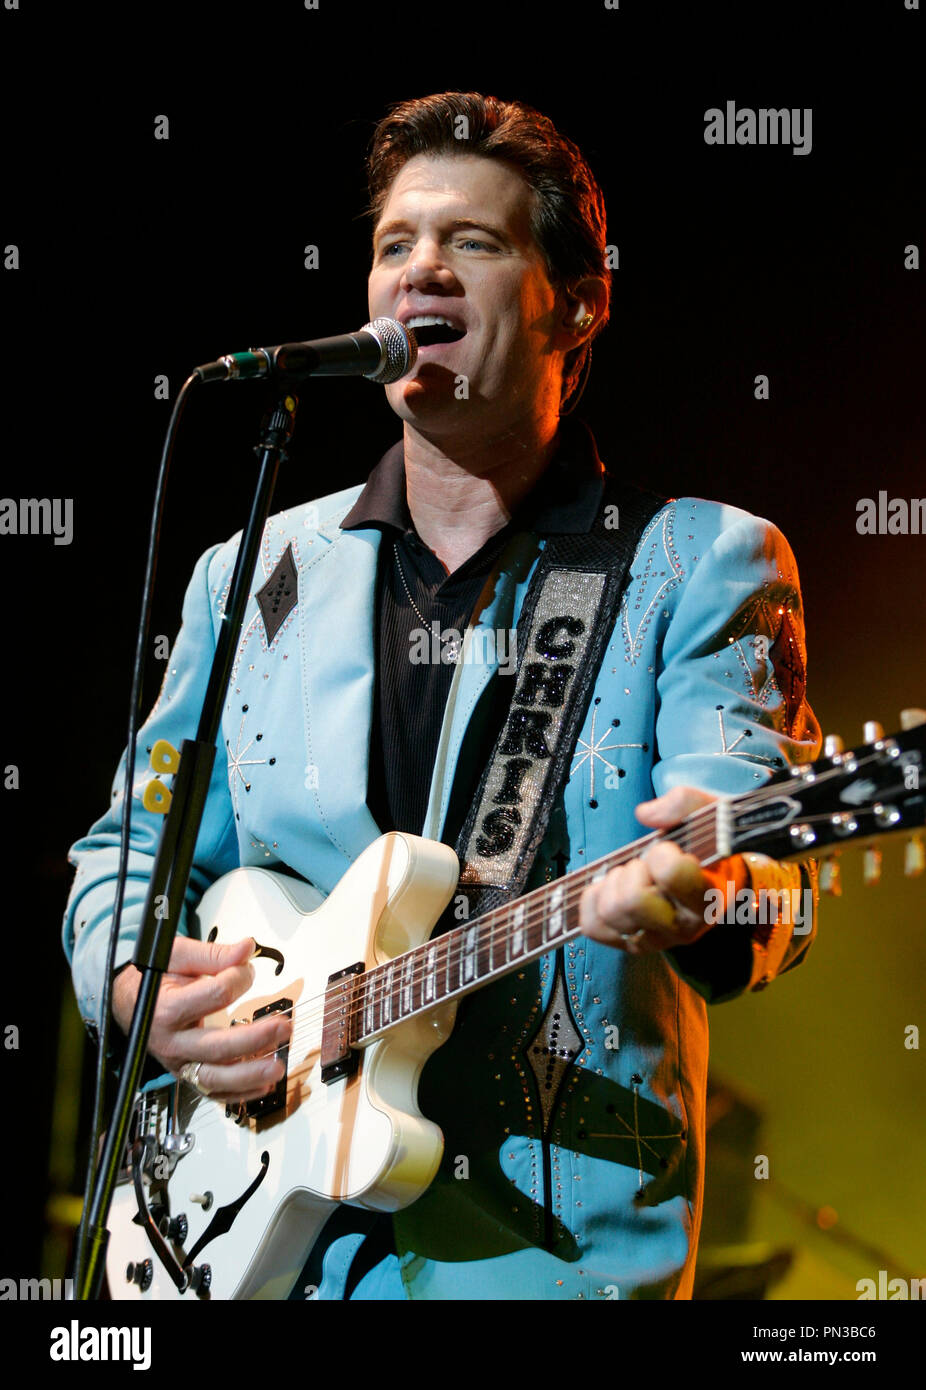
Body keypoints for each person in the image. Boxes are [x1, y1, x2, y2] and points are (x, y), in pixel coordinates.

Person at [64, 91, 820, 1300]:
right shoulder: (255, 571)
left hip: (537, 1254)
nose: (421, 270)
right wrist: (137, 991)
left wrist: (704, 893)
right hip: (249, 1228)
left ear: (576, 301)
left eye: (472, 241)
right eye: (394, 244)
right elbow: (132, 846)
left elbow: (763, 859)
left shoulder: (698, 565)